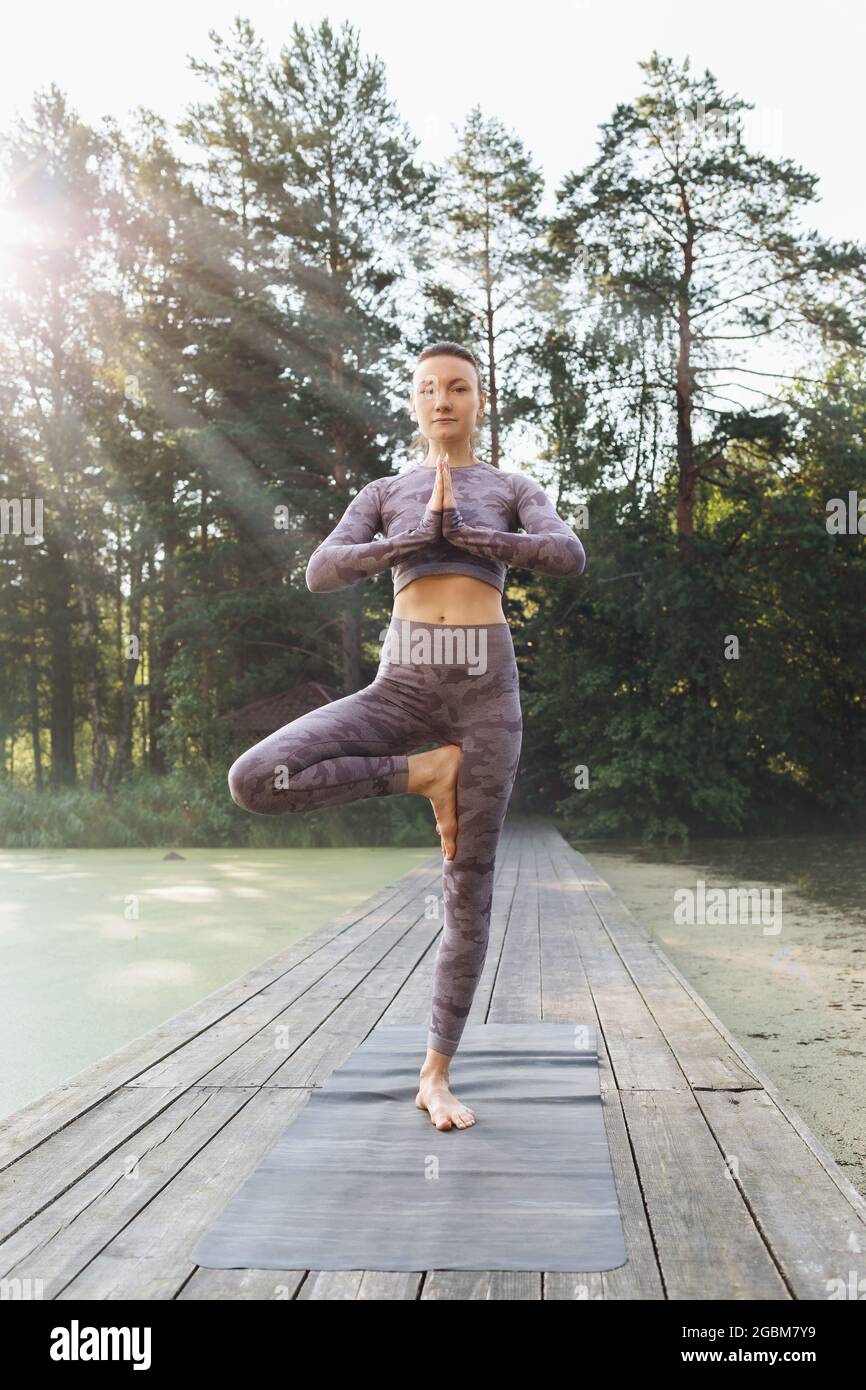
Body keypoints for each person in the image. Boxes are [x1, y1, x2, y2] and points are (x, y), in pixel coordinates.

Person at [227, 343, 586, 1130]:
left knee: (469, 883)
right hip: (402, 688)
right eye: (429, 389)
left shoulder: (512, 486)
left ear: (479, 401)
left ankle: (436, 1074)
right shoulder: (385, 490)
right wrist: (411, 540)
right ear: (415, 404)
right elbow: (323, 569)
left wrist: (476, 537)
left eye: (458, 387)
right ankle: (419, 773)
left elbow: (567, 553)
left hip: (487, 696)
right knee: (257, 777)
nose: (443, 400)